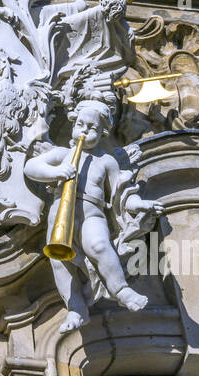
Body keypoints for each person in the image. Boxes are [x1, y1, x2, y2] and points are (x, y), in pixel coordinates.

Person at [25, 94, 150, 333]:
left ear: (103, 132)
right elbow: (32, 167)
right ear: (73, 124)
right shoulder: (63, 154)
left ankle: (121, 290)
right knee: (59, 263)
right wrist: (58, 172)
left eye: (92, 128)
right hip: (61, 211)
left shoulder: (106, 161)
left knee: (100, 246)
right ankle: (75, 308)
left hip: (93, 213)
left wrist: (138, 205)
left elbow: (121, 193)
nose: (84, 131)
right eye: (80, 125)